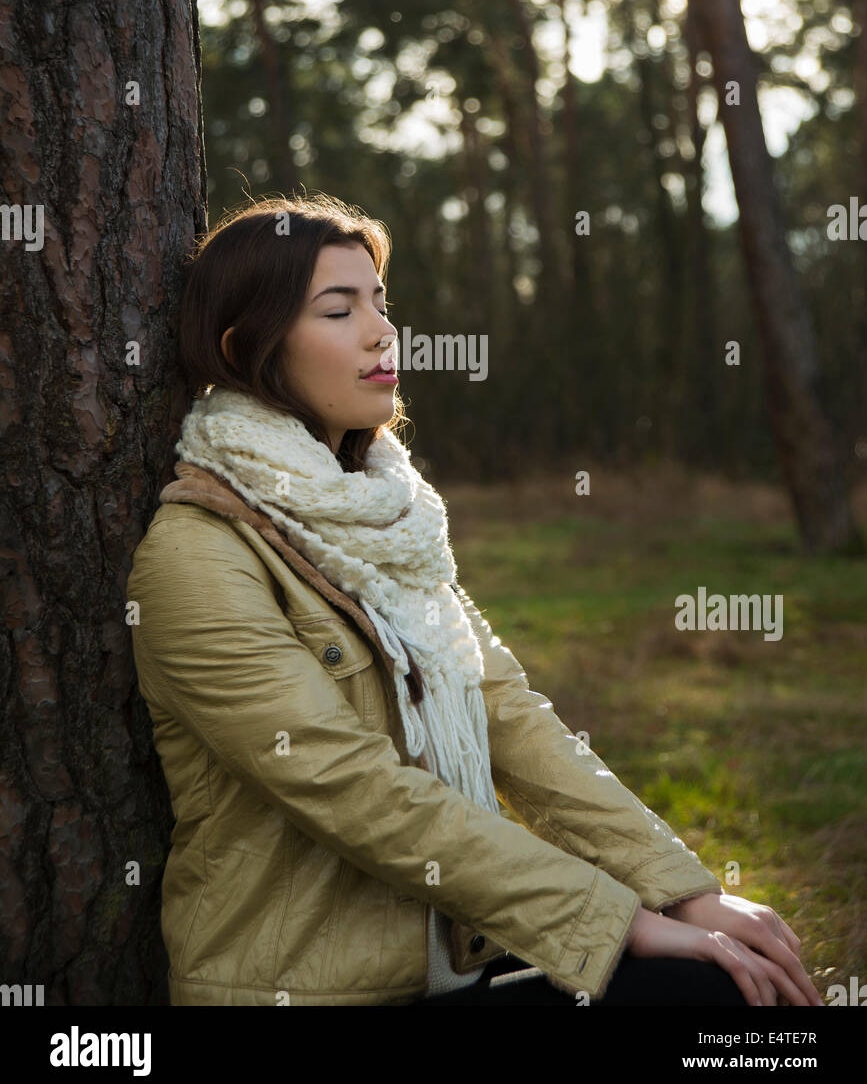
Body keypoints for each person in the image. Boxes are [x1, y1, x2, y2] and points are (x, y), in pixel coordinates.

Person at [127, 192, 822, 1008]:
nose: (382, 331)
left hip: (447, 964)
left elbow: (508, 712)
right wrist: (616, 921)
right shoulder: (196, 557)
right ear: (246, 348)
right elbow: (357, 792)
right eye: (338, 309)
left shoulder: (386, 521)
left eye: (380, 303)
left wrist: (680, 890)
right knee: (699, 994)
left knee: (728, 981)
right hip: (318, 992)